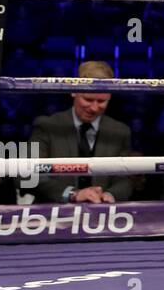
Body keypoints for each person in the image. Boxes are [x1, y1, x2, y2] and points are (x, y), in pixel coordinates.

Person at [30, 61, 133, 204]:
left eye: (101, 101)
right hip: (52, 216)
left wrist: (110, 195)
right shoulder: (45, 125)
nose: (94, 108)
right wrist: (73, 194)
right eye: (88, 99)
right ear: (73, 91)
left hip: (102, 216)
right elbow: (27, 176)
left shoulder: (120, 131)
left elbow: (125, 180)